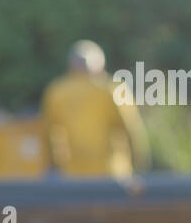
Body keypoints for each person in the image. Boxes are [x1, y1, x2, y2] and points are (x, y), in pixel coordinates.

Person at [41, 40, 150, 178]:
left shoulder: (57, 92)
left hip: (72, 174)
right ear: (100, 64)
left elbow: (49, 134)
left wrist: (53, 164)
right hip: (112, 172)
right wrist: (140, 165)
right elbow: (131, 128)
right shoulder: (112, 88)